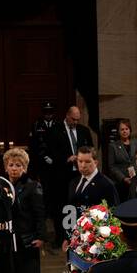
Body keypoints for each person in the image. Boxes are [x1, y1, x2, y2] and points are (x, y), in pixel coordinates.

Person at [4, 148, 46, 273]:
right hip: (8, 240)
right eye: (11, 165)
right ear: (6, 167)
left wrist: (40, 237)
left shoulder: (32, 186)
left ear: (25, 167)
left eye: (18, 165)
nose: (14, 169)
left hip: (27, 240)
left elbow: (40, 214)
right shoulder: (1, 185)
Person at [45, 102, 95, 244]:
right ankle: (60, 237)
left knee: (78, 205)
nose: (75, 122)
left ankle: (79, 236)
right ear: (67, 116)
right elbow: (50, 152)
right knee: (60, 206)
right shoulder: (54, 130)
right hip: (61, 175)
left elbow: (91, 149)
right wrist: (67, 158)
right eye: (73, 119)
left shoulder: (84, 131)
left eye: (78, 119)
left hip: (80, 175)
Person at [65, 144, 120, 220]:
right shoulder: (73, 182)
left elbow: (114, 213)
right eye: (80, 161)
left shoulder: (106, 184)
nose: (83, 165)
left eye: (87, 162)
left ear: (96, 163)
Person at [108, 119, 137, 198]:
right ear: (118, 131)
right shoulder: (113, 146)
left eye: (126, 129)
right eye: (122, 129)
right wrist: (123, 178)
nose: (124, 131)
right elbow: (111, 166)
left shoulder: (136, 144)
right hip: (120, 182)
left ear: (130, 130)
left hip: (134, 181)